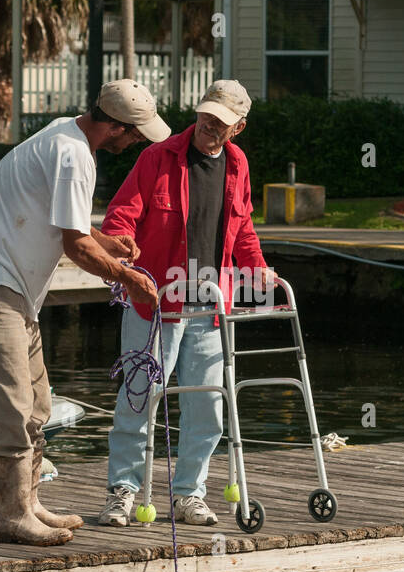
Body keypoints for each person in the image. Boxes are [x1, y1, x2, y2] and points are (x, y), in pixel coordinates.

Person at [0, 80, 162, 546]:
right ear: (117, 127)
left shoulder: (69, 135)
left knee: (38, 405)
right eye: (136, 133)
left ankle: (31, 502)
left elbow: (74, 227)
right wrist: (129, 279)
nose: (139, 141)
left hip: (15, 292)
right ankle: (11, 517)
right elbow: (75, 247)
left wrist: (108, 241)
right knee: (12, 407)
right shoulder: (73, 155)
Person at [98, 80, 277, 527]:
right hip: (156, 300)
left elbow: (243, 226)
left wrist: (258, 268)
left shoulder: (237, 164)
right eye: (205, 117)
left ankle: (188, 494)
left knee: (207, 407)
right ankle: (122, 491)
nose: (209, 128)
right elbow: (122, 211)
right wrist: (120, 245)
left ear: (239, 127)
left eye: (220, 122)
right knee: (140, 398)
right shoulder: (157, 156)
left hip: (209, 304)